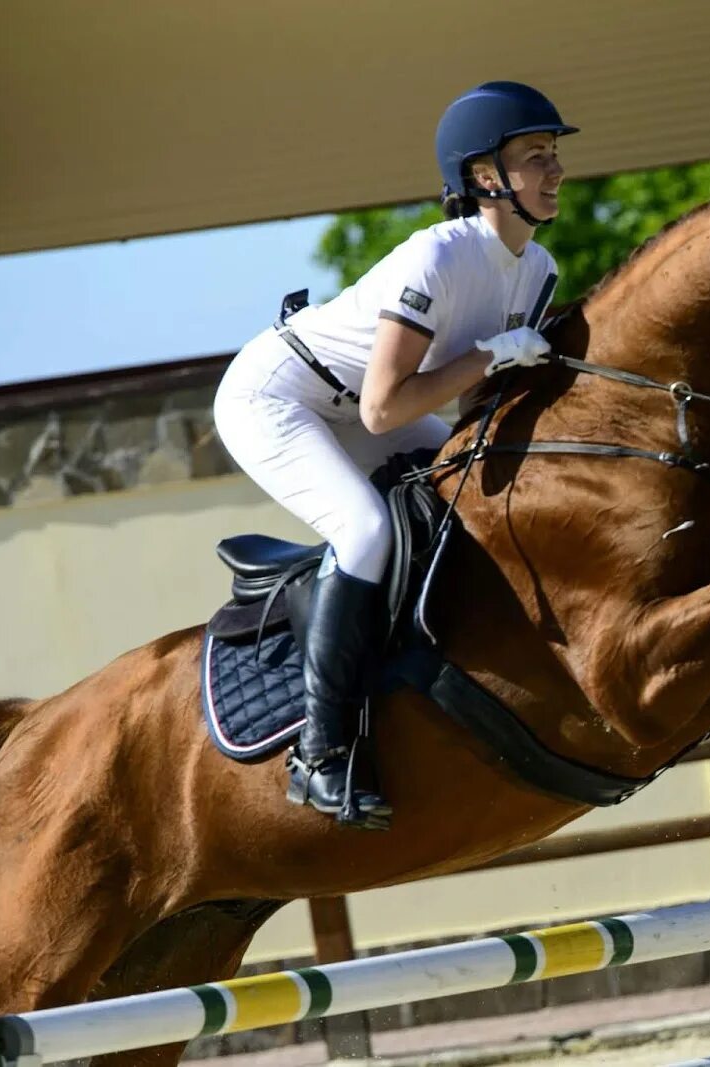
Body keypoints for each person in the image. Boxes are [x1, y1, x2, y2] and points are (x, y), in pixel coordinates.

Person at [212, 81, 577, 826]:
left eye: (553, 155)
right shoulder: (438, 256)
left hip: (360, 408)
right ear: (485, 178)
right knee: (367, 531)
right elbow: (385, 406)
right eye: (535, 156)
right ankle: (319, 752)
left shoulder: (538, 271)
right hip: (278, 396)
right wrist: (490, 354)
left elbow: (461, 405)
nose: (554, 170)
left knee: (473, 493)